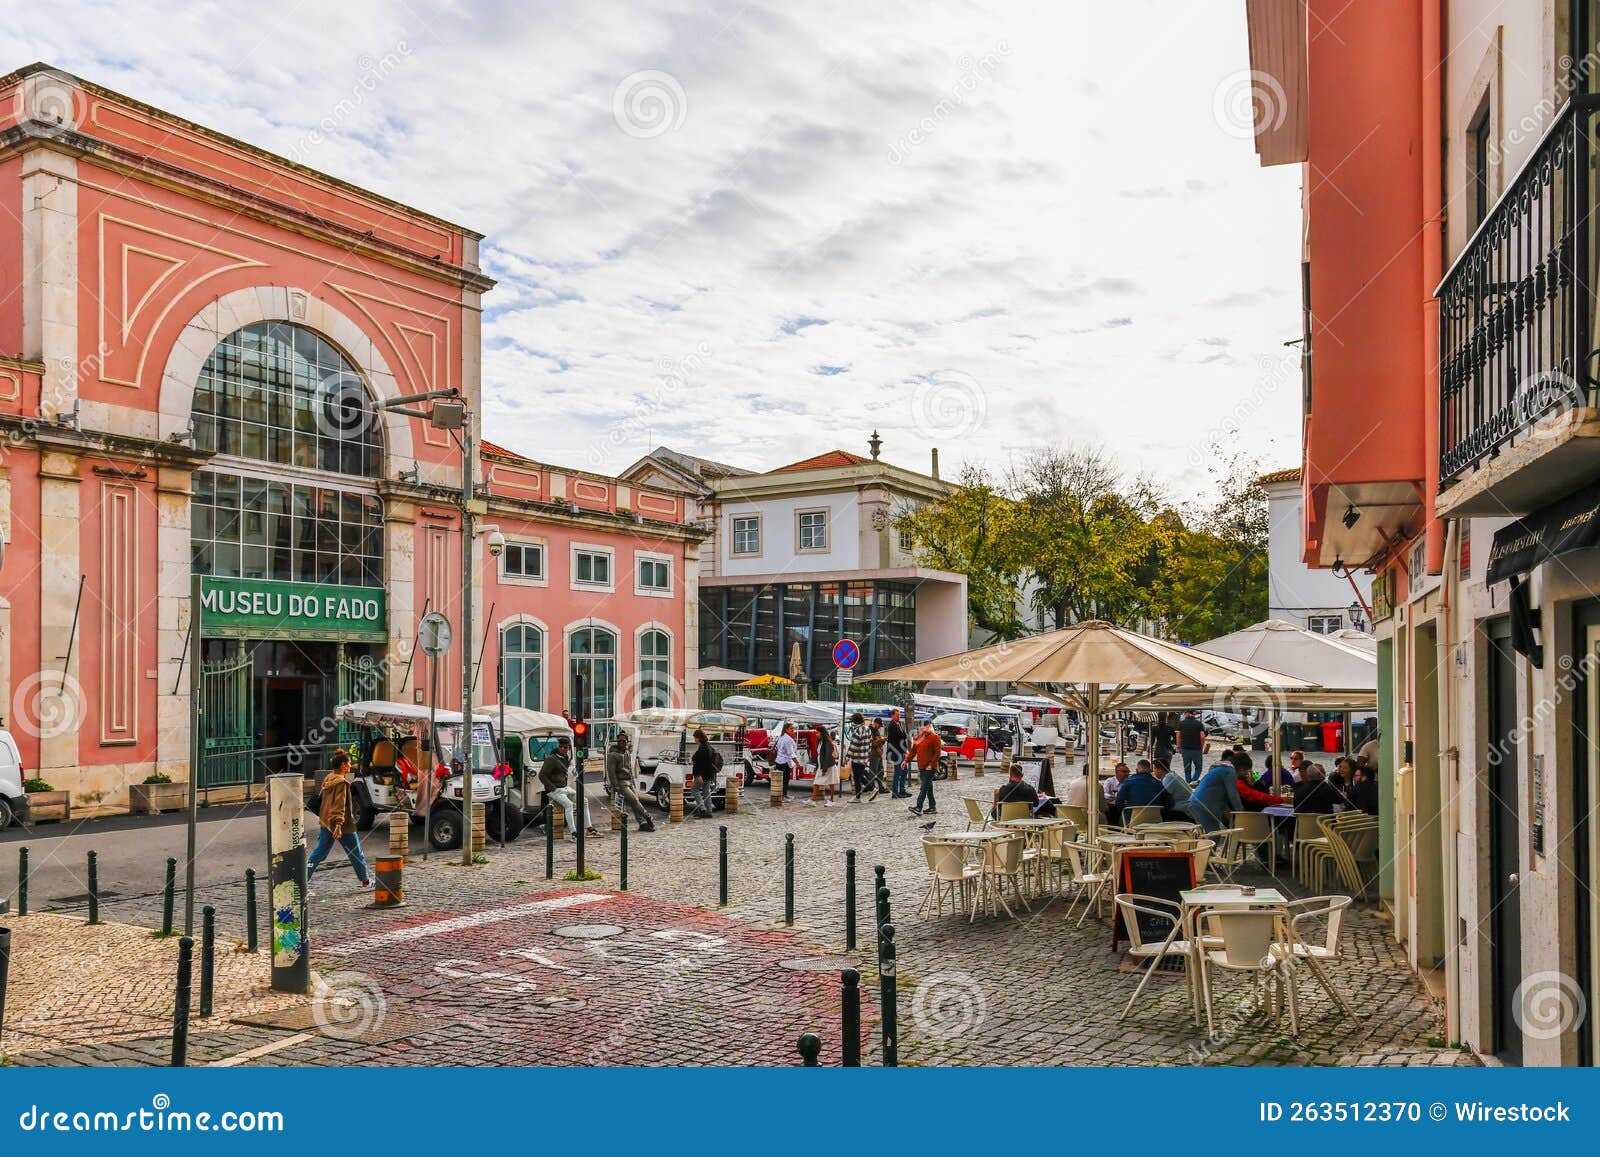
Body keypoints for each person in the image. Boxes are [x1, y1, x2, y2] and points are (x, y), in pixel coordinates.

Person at [307, 750, 371, 889]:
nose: (350, 765)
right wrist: (338, 825)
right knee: (355, 853)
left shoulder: (329, 778)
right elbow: (339, 805)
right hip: (342, 825)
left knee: (319, 853)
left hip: (326, 821)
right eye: (348, 763)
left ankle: (303, 877)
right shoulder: (342, 783)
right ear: (343, 765)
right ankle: (366, 881)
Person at [540, 736, 593, 838]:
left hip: (564, 787)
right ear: (559, 747)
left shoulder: (566, 758)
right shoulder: (551, 759)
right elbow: (542, 775)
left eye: (566, 747)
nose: (563, 749)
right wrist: (552, 788)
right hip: (554, 789)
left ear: (569, 748)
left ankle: (589, 828)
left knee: (584, 800)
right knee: (569, 805)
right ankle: (573, 832)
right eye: (561, 747)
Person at [604, 730, 655, 832]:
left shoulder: (626, 752)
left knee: (635, 802)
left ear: (627, 742)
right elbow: (611, 772)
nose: (621, 743)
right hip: (621, 782)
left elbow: (630, 768)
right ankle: (647, 815)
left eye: (624, 741)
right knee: (634, 800)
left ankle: (642, 823)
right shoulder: (612, 755)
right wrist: (616, 786)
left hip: (629, 781)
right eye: (620, 741)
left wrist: (632, 781)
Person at [1181, 758, 1245, 833]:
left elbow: (1218, 793)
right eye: (1246, 771)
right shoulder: (1230, 771)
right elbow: (1233, 795)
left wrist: (1226, 810)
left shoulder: (1219, 769)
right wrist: (1241, 813)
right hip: (1205, 804)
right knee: (1214, 834)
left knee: (1209, 832)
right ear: (1242, 768)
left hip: (1195, 801)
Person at [1110, 758, 1168, 826]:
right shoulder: (1159, 784)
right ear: (1150, 771)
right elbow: (1169, 803)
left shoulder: (1128, 782)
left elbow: (1118, 803)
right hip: (1156, 822)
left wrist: (1128, 808)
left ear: (1137, 770)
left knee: (1116, 819)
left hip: (1132, 821)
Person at [908, 721, 943, 816]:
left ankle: (919, 807)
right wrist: (906, 761)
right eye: (922, 727)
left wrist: (931, 764)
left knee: (923, 787)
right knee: (928, 788)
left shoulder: (935, 737)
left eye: (925, 726)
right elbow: (913, 751)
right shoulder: (919, 737)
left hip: (930, 768)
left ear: (929, 726)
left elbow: (937, 753)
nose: (923, 728)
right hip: (922, 766)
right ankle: (932, 807)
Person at [690, 728, 718, 818]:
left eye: (695, 738)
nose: (694, 740)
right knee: (706, 792)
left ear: (698, 738)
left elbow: (702, 764)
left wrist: (699, 775)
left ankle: (702, 809)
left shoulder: (703, 748)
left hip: (703, 774)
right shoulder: (707, 746)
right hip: (709, 774)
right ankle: (709, 812)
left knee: (694, 789)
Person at [847, 712, 874, 801]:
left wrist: (847, 757)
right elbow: (870, 743)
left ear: (855, 721)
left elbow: (853, 745)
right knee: (860, 775)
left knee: (857, 777)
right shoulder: (868, 729)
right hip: (864, 756)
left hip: (857, 757)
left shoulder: (857, 730)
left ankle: (859, 796)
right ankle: (871, 789)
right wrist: (867, 754)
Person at [1176, 710, 1207, 783]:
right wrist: (1201, 747)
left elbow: (1178, 735)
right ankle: (1193, 781)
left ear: (1186, 713)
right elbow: (1202, 736)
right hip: (1197, 749)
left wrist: (1178, 746)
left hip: (1185, 749)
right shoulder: (1199, 724)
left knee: (1187, 769)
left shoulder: (1181, 724)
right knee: (1199, 768)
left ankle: (1188, 783)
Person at [886, 710, 911, 798]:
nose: (899, 716)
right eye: (897, 715)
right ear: (892, 716)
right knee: (898, 772)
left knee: (904, 771)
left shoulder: (900, 724)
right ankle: (895, 793)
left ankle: (902, 790)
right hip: (896, 752)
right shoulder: (892, 725)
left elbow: (904, 735)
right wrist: (903, 734)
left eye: (899, 715)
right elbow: (901, 736)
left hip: (902, 750)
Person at [813, 726, 839, 806]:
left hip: (828, 765)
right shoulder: (822, 741)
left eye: (817, 732)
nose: (816, 734)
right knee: (819, 782)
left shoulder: (827, 742)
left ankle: (830, 800)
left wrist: (824, 769)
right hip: (824, 765)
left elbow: (828, 756)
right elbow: (819, 756)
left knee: (824, 782)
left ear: (821, 733)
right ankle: (813, 799)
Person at [773, 722, 799, 797]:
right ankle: (784, 795)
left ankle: (781, 794)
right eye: (791, 728)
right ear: (786, 729)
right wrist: (797, 763)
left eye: (793, 728)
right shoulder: (788, 739)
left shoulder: (781, 737)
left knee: (781, 780)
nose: (793, 730)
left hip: (779, 761)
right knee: (785, 780)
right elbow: (790, 753)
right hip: (784, 762)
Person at [868, 720, 886, 803]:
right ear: (875, 723)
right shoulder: (870, 730)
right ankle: (872, 788)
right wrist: (881, 740)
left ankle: (881, 788)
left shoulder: (876, 730)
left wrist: (882, 740)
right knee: (873, 772)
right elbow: (872, 743)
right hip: (873, 753)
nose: (879, 727)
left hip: (878, 753)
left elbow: (878, 742)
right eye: (879, 725)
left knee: (880, 771)